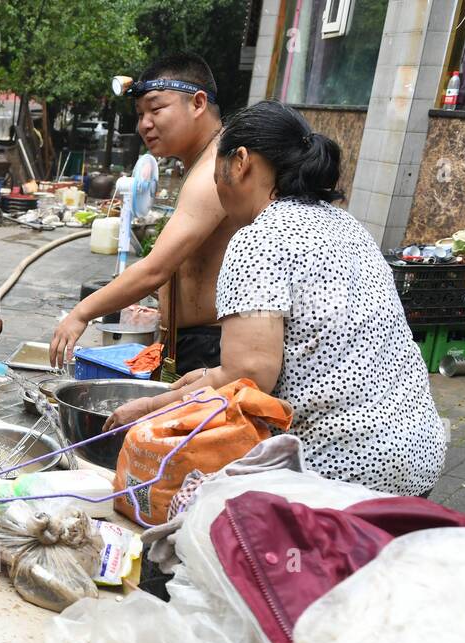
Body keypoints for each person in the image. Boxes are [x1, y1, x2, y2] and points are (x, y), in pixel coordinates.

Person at [104, 101, 445, 497]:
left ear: (240, 162)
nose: (216, 186)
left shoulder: (259, 238)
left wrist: (150, 408)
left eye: (217, 172)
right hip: (419, 452)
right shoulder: (348, 226)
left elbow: (248, 377)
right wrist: (199, 380)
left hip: (340, 466)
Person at [50, 53, 236, 375]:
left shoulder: (213, 170)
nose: (144, 124)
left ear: (198, 103)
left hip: (210, 346)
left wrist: (81, 313)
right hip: (191, 341)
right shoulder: (200, 164)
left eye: (156, 108)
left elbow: (155, 269)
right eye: (140, 113)